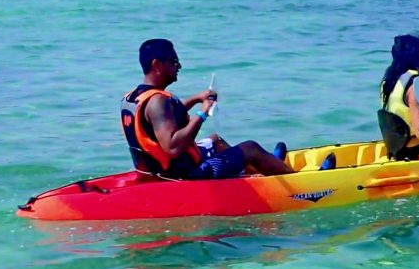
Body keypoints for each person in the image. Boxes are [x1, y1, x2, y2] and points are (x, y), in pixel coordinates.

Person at [124, 39, 295, 180]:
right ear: (157, 65)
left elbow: (161, 120)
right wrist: (202, 113)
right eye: (174, 62)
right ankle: (297, 181)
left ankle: (258, 173)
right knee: (251, 148)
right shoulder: (158, 101)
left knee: (215, 140)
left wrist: (196, 99)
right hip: (183, 175)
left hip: (157, 171)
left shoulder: (134, 97)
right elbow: (173, 147)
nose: (179, 66)